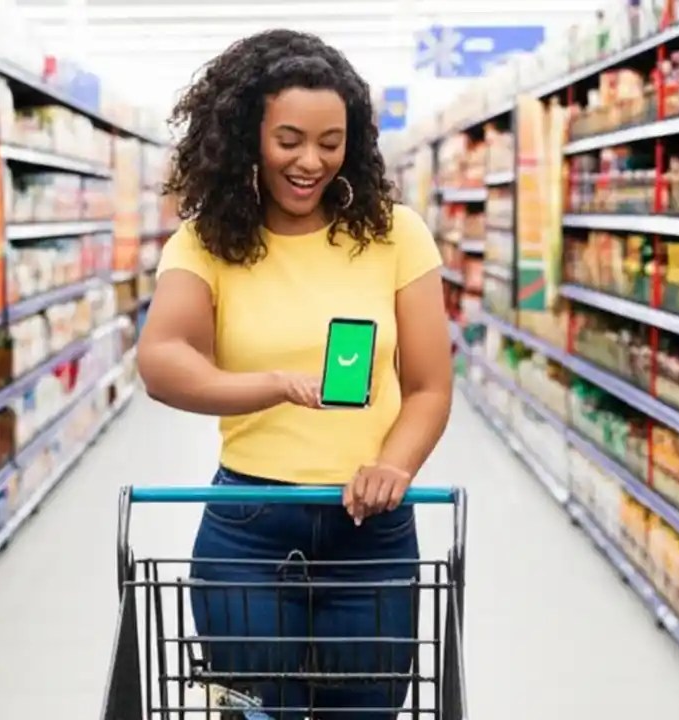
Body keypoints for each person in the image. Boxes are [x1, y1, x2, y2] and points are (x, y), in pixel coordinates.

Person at [137, 28, 452, 719]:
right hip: (247, 529)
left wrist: (394, 466)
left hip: (372, 528)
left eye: (330, 142)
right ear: (248, 134)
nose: (310, 161)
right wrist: (273, 384)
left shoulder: (397, 235)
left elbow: (430, 386)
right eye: (289, 140)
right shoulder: (207, 241)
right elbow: (162, 361)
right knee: (249, 715)